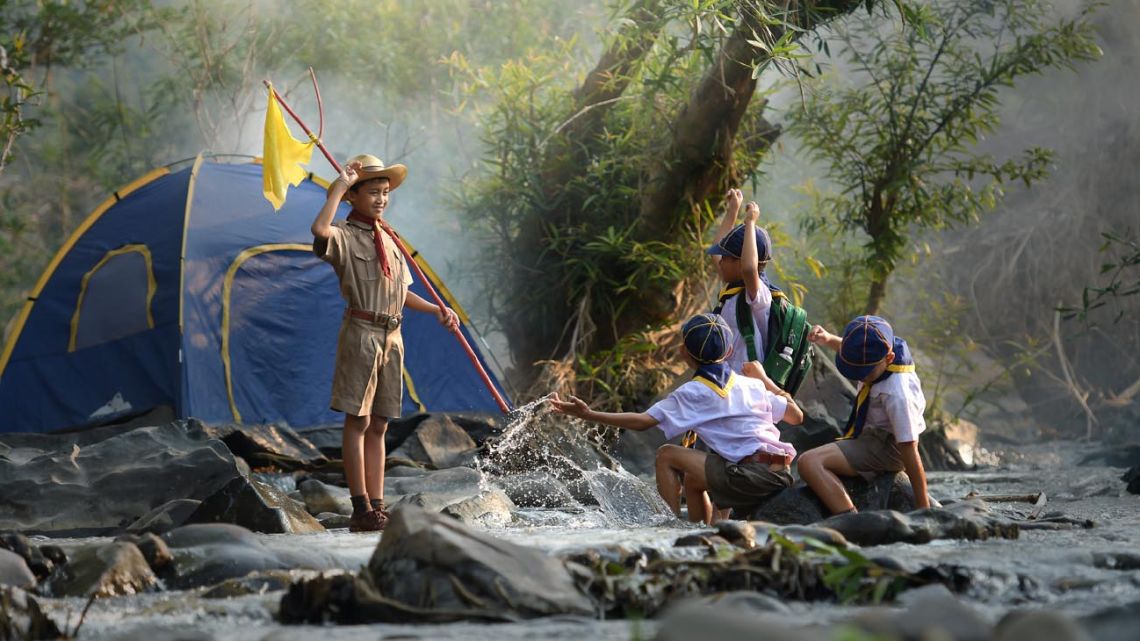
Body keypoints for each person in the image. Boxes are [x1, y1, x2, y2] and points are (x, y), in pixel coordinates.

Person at [311, 154, 458, 532]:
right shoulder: (344, 235)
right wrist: (338, 187)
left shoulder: (390, 240)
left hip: (393, 336)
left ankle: (378, 505)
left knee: (380, 423)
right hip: (362, 333)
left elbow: (402, 291)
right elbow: (320, 229)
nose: (380, 199)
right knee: (357, 420)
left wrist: (435, 310)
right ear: (354, 197)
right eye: (373, 192)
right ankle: (360, 507)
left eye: (385, 192)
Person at [550, 313, 804, 524]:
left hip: (748, 475)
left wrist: (588, 414)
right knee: (693, 479)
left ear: (683, 352)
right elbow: (796, 416)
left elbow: (642, 421)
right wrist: (766, 380)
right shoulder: (752, 385)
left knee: (667, 454)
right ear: (728, 352)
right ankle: (700, 531)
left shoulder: (693, 392)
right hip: (780, 472)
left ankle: (668, 525)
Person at [799, 316, 931, 515]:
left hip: (889, 446)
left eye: (865, 372)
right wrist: (827, 339)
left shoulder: (896, 394)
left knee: (809, 462)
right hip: (871, 435)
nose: (860, 375)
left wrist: (924, 510)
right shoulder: (882, 353)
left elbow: (909, 447)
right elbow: (852, 350)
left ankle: (850, 517)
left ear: (889, 358)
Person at [707, 191, 775, 376]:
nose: (720, 261)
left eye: (726, 258)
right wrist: (733, 210)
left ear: (740, 261)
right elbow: (715, 254)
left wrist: (750, 223)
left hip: (747, 382)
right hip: (727, 377)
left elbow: (749, 269)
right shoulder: (732, 288)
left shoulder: (757, 294)